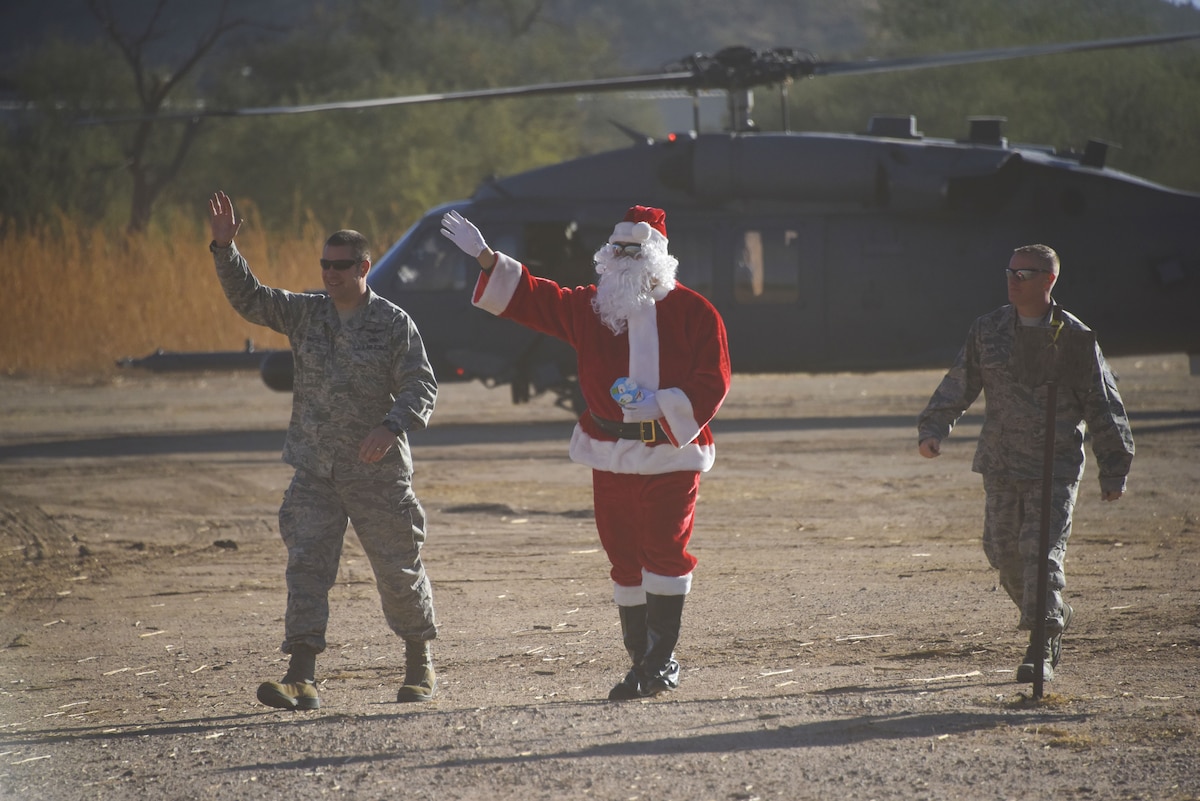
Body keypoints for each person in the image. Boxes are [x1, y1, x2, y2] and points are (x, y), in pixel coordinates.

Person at [441, 205, 731, 700]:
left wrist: (662, 406)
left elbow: (714, 380)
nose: (623, 258)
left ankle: (659, 663)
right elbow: (537, 298)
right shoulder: (593, 307)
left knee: (663, 551)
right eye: (617, 249)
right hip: (608, 453)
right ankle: (641, 662)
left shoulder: (695, 312)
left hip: (669, 454)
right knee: (623, 557)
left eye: (634, 250)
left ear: (658, 255)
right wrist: (488, 259)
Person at [207, 190, 440, 709]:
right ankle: (301, 676)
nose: (330, 274)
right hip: (315, 470)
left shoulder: (393, 323)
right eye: (324, 265)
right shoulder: (307, 314)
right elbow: (251, 298)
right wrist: (225, 249)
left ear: (363, 267)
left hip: (376, 473)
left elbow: (421, 385)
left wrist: (391, 427)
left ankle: (419, 665)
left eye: (340, 266)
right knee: (307, 570)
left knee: (398, 571)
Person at [917, 244, 1134, 683]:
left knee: (1040, 554)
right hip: (1000, 462)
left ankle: (1041, 645)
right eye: (1010, 272)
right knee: (1003, 553)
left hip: (1054, 465)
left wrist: (1113, 466)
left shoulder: (1073, 337)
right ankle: (1054, 613)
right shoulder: (988, 330)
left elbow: (1103, 403)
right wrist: (934, 427)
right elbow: (960, 382)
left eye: (1025, 274)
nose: (1013, 281)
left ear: (1049, 280)